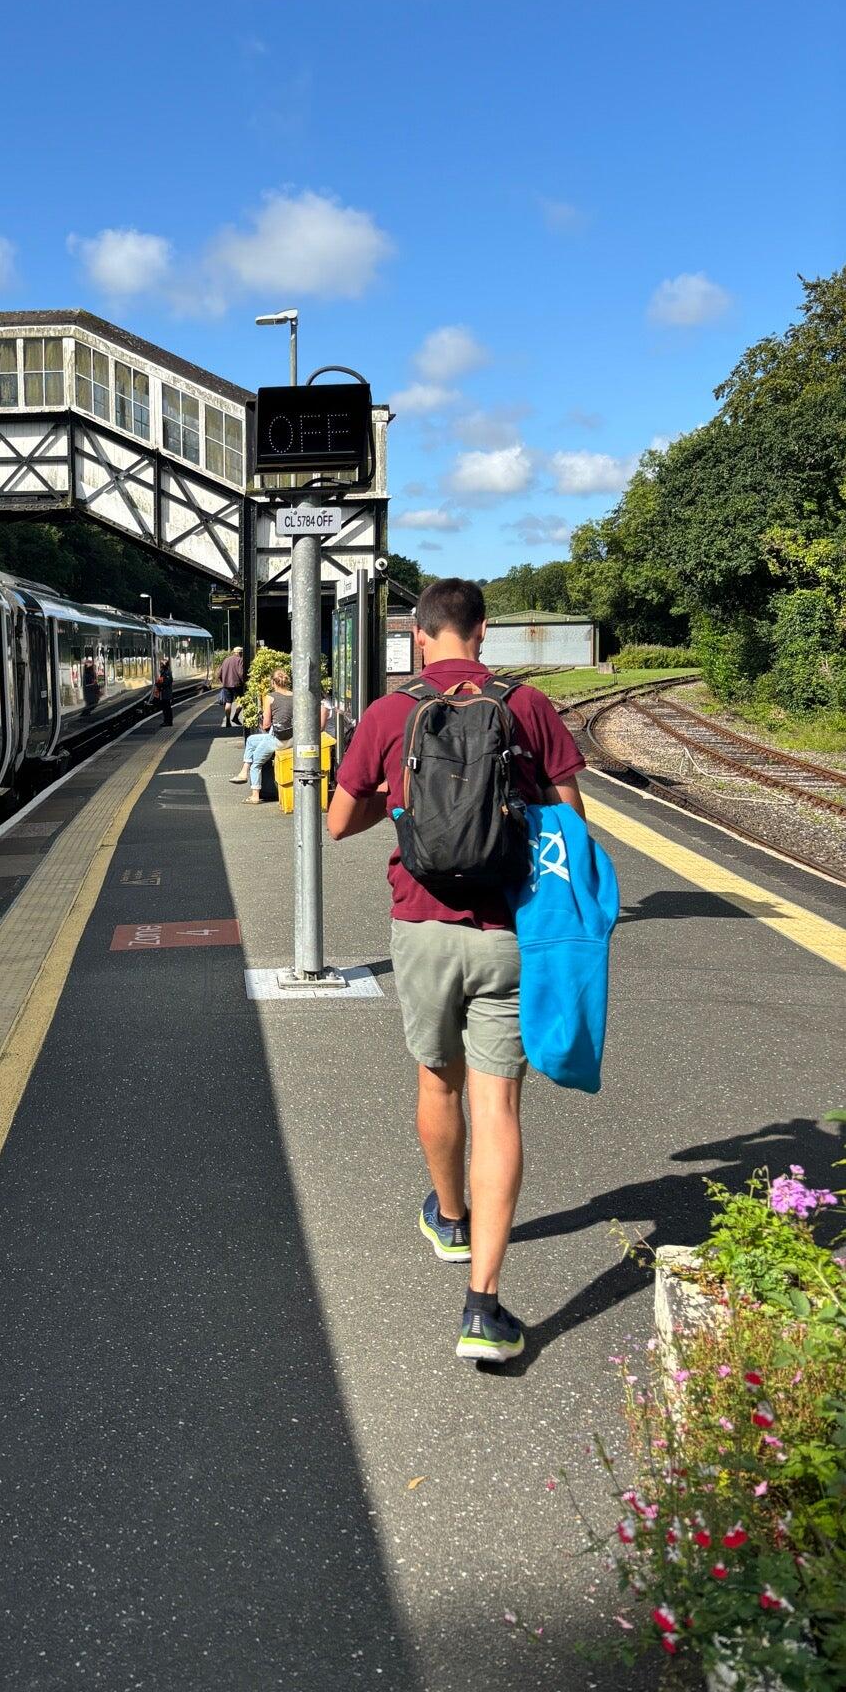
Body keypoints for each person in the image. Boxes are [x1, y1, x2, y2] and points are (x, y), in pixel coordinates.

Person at [325, 577, 587, 1364]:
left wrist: (398, 799)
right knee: (498, 1107)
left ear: (417, 631)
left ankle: (447, 1218)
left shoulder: (390, 711)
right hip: (511, 931)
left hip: (421, 926)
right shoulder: (528, 705)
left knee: (437, 1080)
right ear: (483, 630)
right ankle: (483, 1308)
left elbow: (338, 823)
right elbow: (572, 824)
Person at [232, 665, 329, 803]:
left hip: (277, 739)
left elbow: (266, 725)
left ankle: (255, 796)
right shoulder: (295, 696)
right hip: (293, 737)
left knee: (256, 763)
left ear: (273, 682)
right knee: (252, 740)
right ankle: (243, 771)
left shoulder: (270, 698)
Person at [216, 645, 245, 729]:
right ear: (240, 653)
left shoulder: (226, 660)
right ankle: (235, 716)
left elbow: (219, 674)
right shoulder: (240, 660)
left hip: (226, 685)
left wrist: (223, 681)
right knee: (241, 701)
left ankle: (228, 721)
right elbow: (241, 673)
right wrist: (244, 682)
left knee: (228, 703)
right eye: (241, 653)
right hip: (237, 685)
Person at [153, 652, 174, 727]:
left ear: (165, 665)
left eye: (162, 664)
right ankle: (166, 721)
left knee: (167, 708)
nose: (160, 666)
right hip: (163, 694)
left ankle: (168, 721)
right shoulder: (164, 672)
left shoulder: (167, 673)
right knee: (165, 708)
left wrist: (159, 684)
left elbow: (167, 682)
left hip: (166, 694)